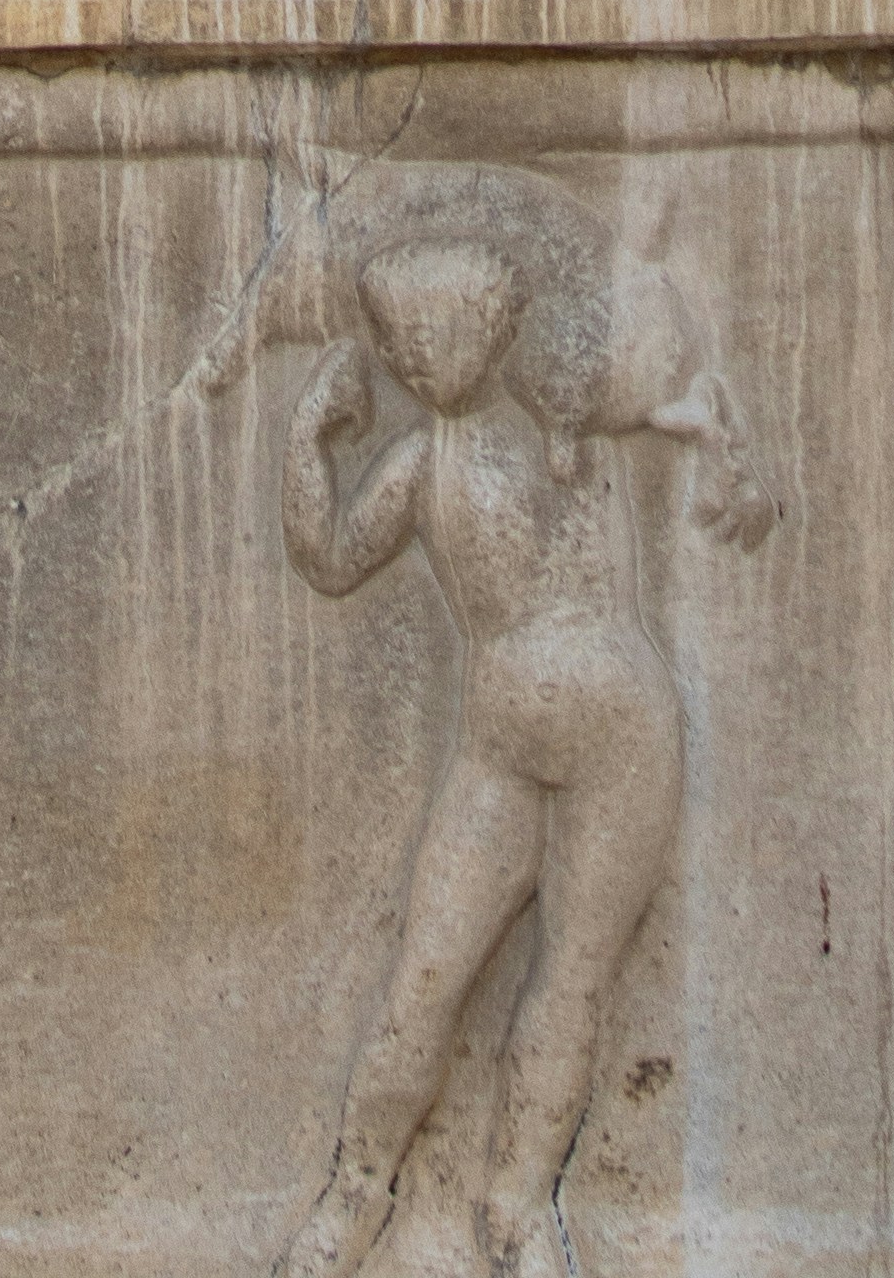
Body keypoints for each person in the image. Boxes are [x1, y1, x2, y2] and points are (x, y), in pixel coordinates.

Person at [267, 226, 760, 1278]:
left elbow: (647, 366)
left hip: (621, 737)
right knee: (424, 980)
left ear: (489, 335)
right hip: (501, 742)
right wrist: (309, 439)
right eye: (401, 346)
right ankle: (355, 1193)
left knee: (572, 981)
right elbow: (331, 556)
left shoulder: (560, 417)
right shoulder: (420, 459)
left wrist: (699, 425)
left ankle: (518, 1209)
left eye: (433, 336)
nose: (415, 360)